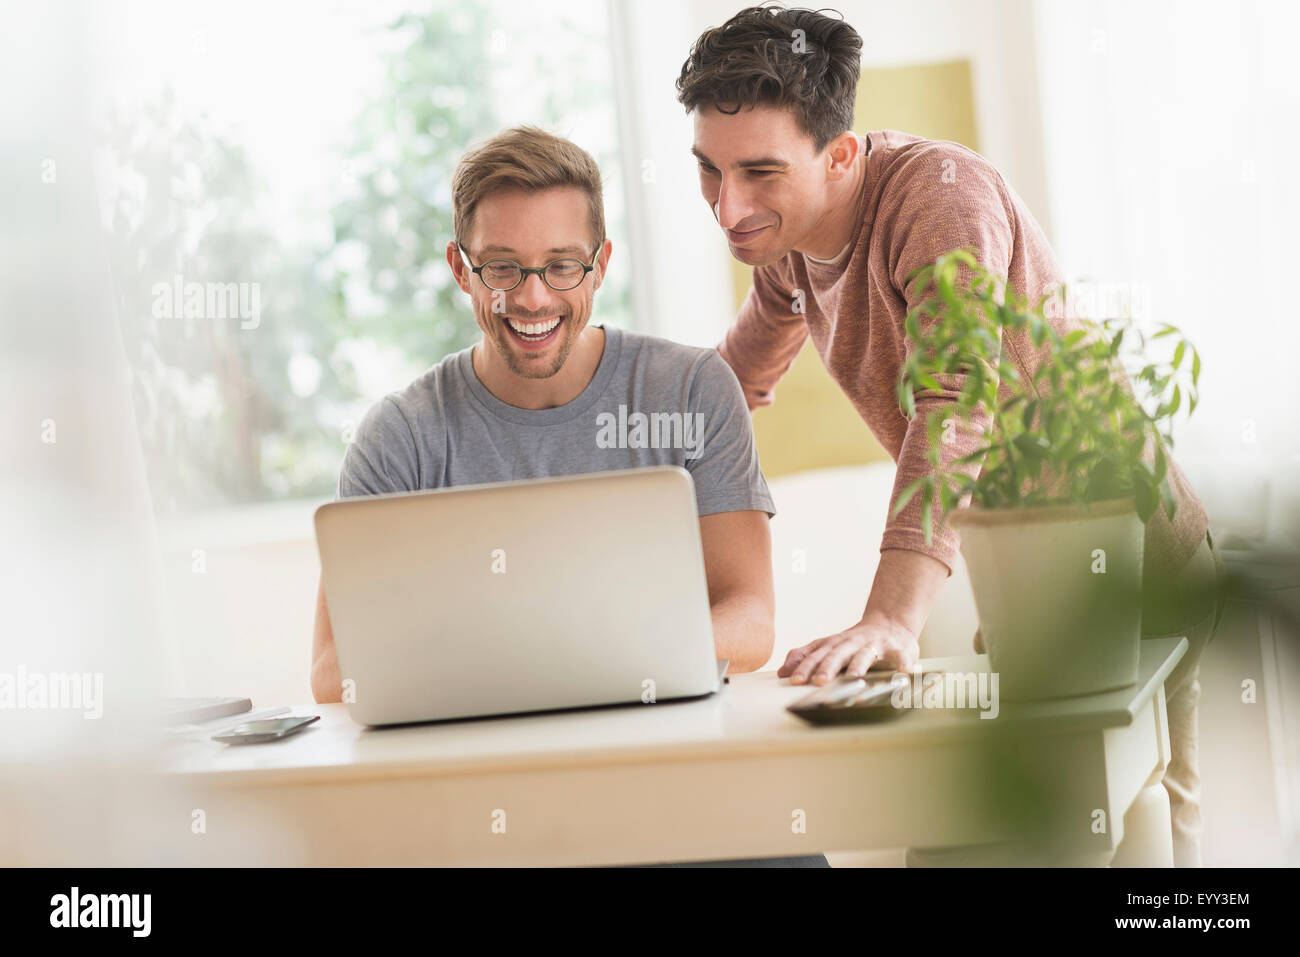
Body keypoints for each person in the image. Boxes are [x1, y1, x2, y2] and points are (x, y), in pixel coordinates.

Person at [676, 3, 1224, 866]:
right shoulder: (786, 243)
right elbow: (729, 382)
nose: (729, 208)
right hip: (1024, 577)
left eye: (759, 173)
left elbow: (957, 394)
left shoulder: (940, 199)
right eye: (708, 170)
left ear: (842, 154)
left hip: (1129, 563)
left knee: (1154, 837)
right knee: (977, 838)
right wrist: (618, 472)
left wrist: (890, 617)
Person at [310, 125, 827, 866]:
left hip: (680, 790)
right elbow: (334, 671)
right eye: (502, 268)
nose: (532, 297)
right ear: (461, 269)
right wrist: (563, 655)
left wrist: (565, 652)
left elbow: (748, 622)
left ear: (601, 264)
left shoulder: (689, 389)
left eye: (561, 266)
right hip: (489, 813)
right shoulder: (400, 436)